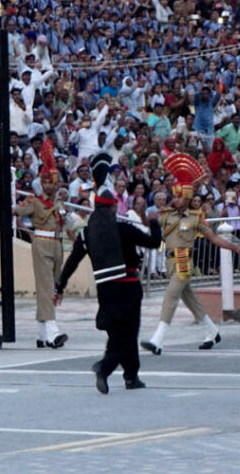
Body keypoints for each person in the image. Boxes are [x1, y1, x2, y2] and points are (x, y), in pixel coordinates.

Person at [55, 153, 162, 393]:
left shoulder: (87, 233)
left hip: (105, 288)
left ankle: (131, 376)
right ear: (114, 206)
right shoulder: (123, 228)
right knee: (127, 333)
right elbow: (155, 242)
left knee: (118, 332)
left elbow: (72, 261)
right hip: (129, 285)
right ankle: (105, 368)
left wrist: (59, 287)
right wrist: (154, 221)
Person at [142, 153, 240, 355]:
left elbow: (213, 238)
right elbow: (150, 223)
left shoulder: (195, 218)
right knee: (191, 300)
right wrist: (157, 214)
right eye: (175, 195)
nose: (176, 198)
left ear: (188, 197)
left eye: (180, 196)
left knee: (170, 297)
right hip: (169, 261)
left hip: (183, 260)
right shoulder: (167, 215)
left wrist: (234, 247)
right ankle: (212, 330)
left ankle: (158, 339)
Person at [15, 184, 68, 348]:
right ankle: (53, 333)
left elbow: (65, 222)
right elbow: (17, 211)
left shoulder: (58, 203)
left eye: (52, 180)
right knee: (47, 287)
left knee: (54, 288)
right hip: (42, 241)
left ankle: (42, 333)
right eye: (46, 181)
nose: (49, 185)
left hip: (57, 242)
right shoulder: (34, 201)